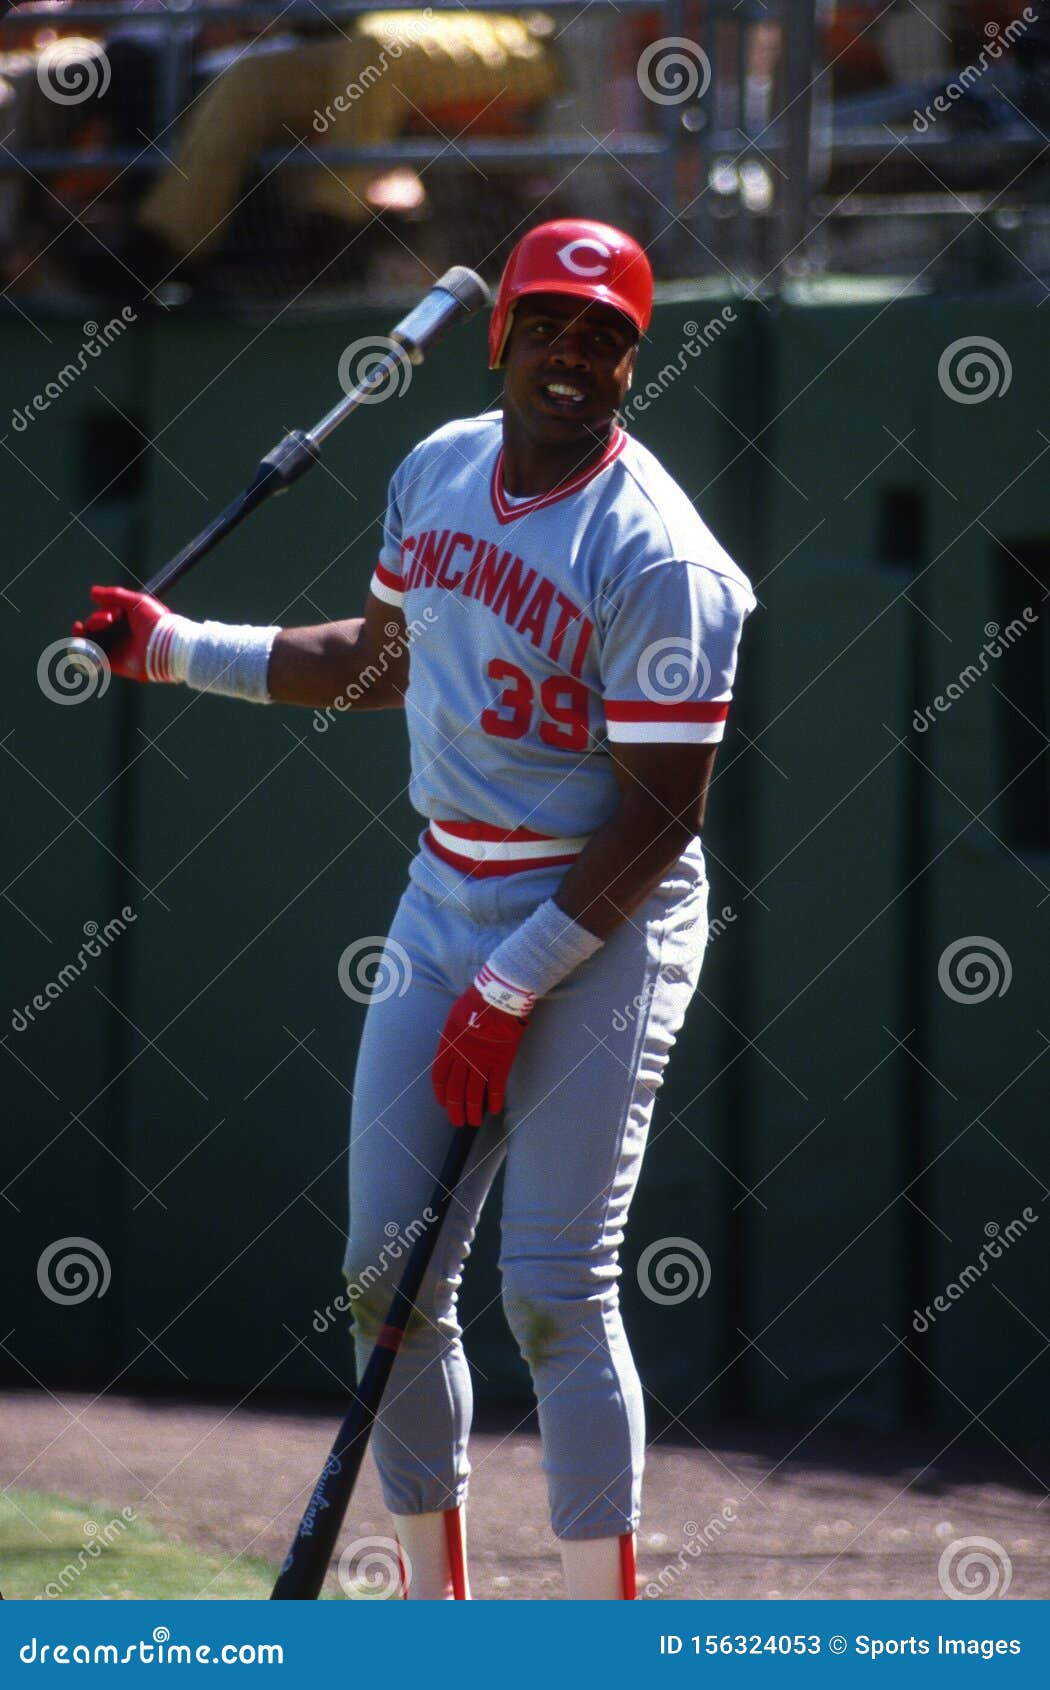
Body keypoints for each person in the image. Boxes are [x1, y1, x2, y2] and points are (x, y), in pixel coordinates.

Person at [72, 219, 755, 1601]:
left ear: (633, 359)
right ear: (501, 331)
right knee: (385, 1283)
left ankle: (589, 1628)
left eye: (605, 335)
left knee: (552, 1289)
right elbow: (382, 659)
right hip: (446, 886)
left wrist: (513, 986)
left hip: (603, 915)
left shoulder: (663, 557)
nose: (574, 354)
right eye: (552, 324)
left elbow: (660, 815)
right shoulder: (439, 467)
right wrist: (175, 646)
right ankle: (434, 1620)